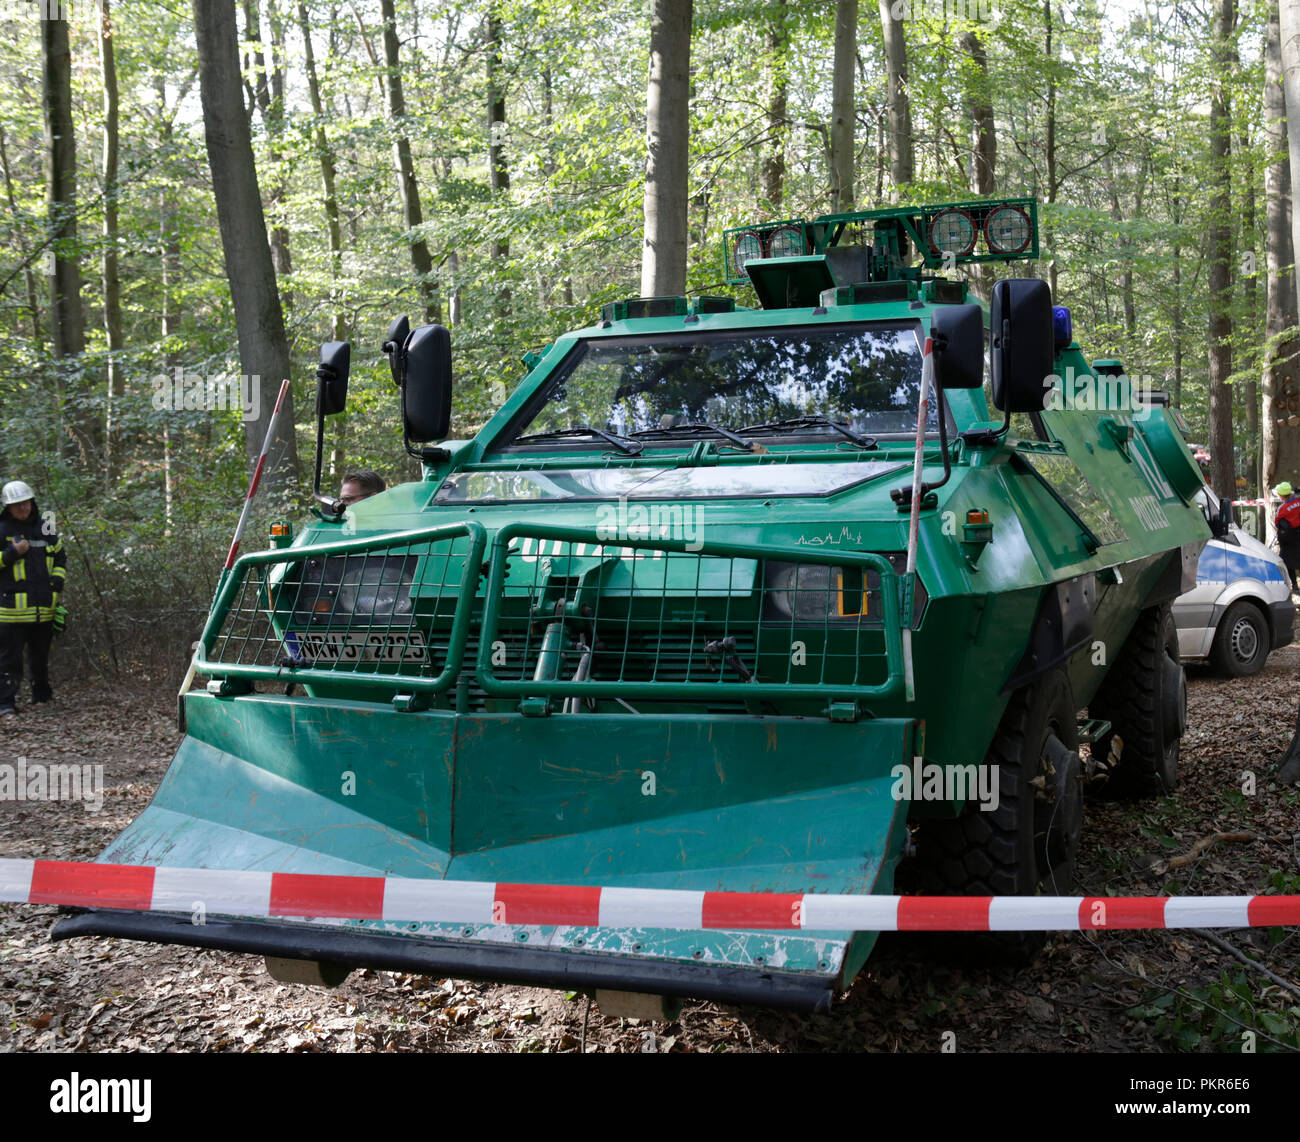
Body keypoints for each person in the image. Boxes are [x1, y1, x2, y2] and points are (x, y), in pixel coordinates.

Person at [0, 480, 66, 715]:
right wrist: (11, 554)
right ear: (8, 507)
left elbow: (60, 557)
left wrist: (57, 581)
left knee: (40, 658)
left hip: (43, 609)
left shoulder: (45, 527)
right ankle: (5, 704)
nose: (22, 508)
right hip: (10, 612)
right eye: (16, 505)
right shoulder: (2, 529)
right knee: (10, 661)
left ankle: (42, 697)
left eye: (25, 503)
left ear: (32, 502)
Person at [1275, 481, 1300, 593]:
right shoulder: (1298, 501)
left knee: (1288, 562)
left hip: (1289, 539)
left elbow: (1277, 522)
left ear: (1280, 495)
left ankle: (1294, 586)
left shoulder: (1282, 508)